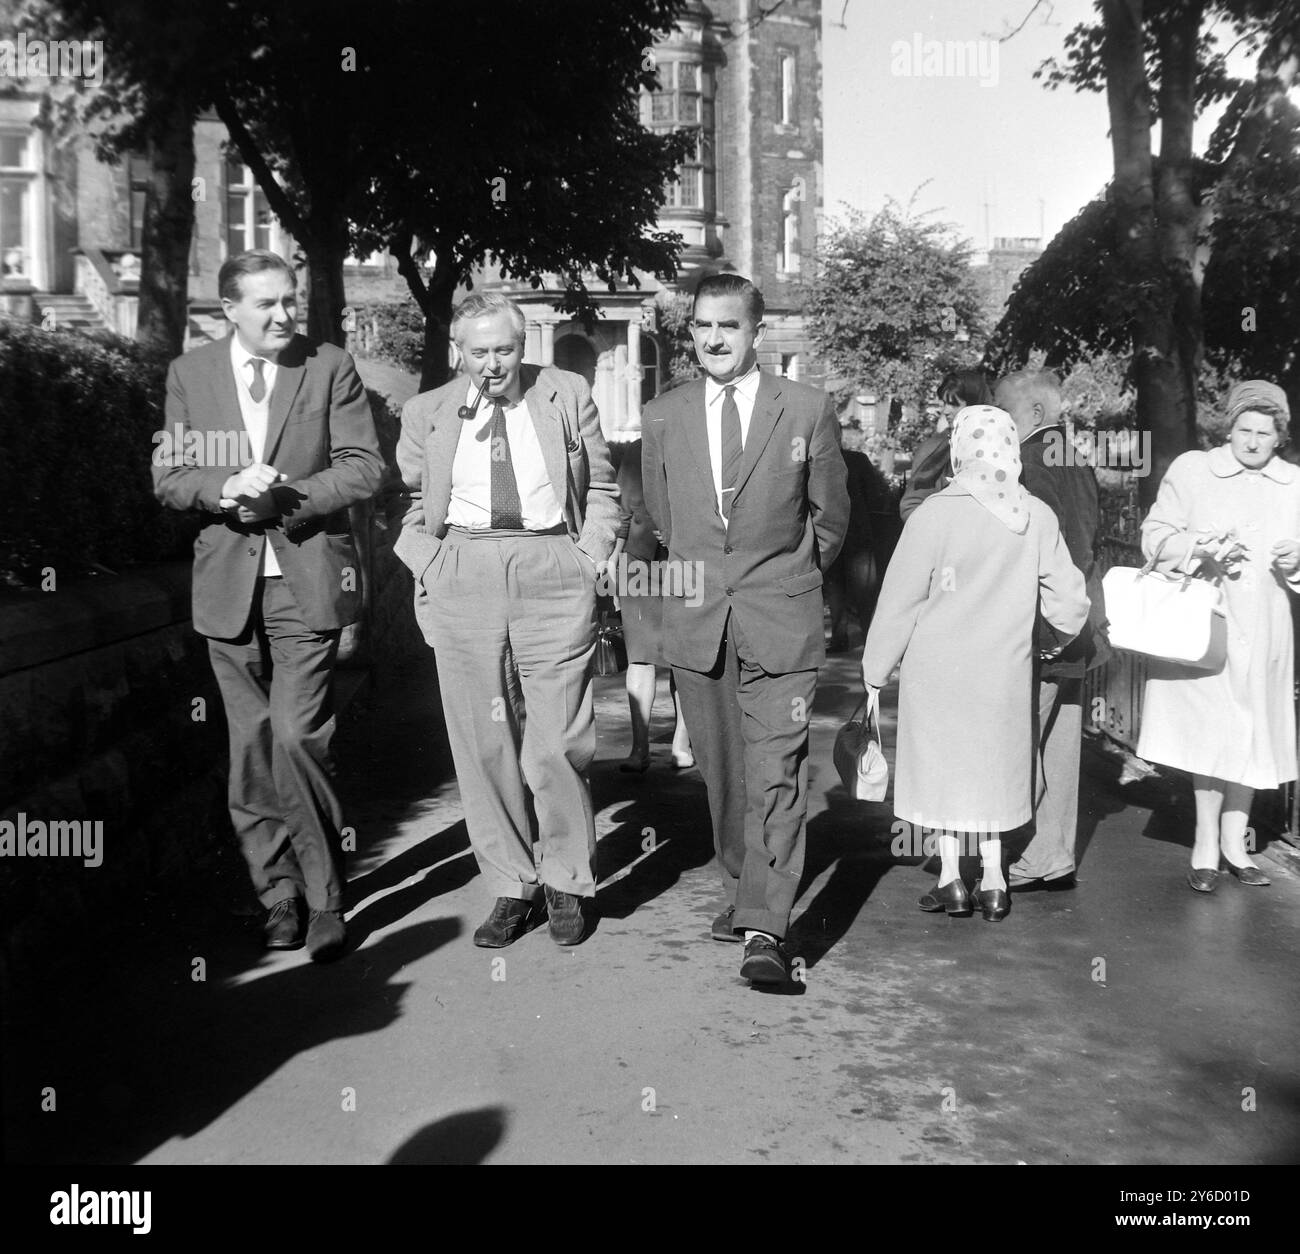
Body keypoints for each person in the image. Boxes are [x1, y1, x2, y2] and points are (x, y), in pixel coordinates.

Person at [153, 249, 385, 961]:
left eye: (291, 300)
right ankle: (276, 894)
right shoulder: (190, 374)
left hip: (305, 575)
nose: (286, 315)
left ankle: (325, 899)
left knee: (296, 736)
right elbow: (170, 473)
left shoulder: (328, 365)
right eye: (268, 304)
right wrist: (224, 491)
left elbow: (365, 466)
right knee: (249, 748)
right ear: (228, 310)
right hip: (227, 583)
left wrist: (285, 497)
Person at [394, 293, 620, 947]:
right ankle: (510, 884)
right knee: (482, 742)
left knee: (557, 740)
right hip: (464, 566)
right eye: (479, 351)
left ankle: (568, 879)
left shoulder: (566, 393)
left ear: (524, 347)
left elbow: (601, 486)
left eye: (506, 349)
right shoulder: (427, 411)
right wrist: (428, 563)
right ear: (456, 351)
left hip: (553, 567)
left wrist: (589, 556)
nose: (493, 364)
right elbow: (412, 497)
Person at [642, 273, 850, 983]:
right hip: (699, 623)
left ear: (756, 332)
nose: (714, 338)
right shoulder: (664, 416)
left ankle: (766, 928)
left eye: (728, 326)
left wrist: (786, 581)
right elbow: (664, 522)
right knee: (724, 777)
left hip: (780, 620)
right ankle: (744, 890)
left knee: (777, 775)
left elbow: (831, 520)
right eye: (702, 326)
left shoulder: (807, 410)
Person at [861, 406, 1090, 922]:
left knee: (945, 770)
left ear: (960, 449)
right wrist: (1052, 642)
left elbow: (899, 602)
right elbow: (1070, 604)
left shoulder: (934, 514)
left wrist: (875, 671)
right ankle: (993, 881)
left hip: (938, 671)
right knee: (991, 771)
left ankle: (950, 880)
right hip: (1003, 675)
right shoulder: (1035, 516)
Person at [1134, 380, 1300, 893]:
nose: (1252, 442)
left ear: (1280, 438)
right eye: (1243, 430)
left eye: (1264, 433)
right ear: (1228, 429)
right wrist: (1201, 549)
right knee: (1211, 732)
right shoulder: (1192, 471)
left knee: (1252, 734)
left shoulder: (1294, 484)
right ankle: (1206, 842)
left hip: (1268, 630)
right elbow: (1154, 537)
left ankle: (1237, 844)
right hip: (1208, 625)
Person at [995, 369, 1111, 890]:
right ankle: (1051, 853)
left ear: (1035, 414)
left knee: (1014, 740)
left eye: (1004, 411)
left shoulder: (1031, 461)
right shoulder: (1077, 458)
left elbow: (1035, 554)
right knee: (1059, 744)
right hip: (1078, 627)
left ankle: (990, 858)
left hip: (1042, 630)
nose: (998, 422)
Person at [613, 440, 693, 773]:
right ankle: (639, 748)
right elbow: (621, 510)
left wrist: (680, 532)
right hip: (637, 562)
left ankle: (681, 745)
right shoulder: (634, 451)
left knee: (686, 658)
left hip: (688, 561)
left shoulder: (698, 443)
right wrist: (612, 560)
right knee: (639, 655)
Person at [898, 368, 994, 522]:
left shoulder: (998, 446)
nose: (946, 411)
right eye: (944, 403)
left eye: (954, 404)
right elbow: (911, 505)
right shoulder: (935, 448)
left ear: (975, 405)